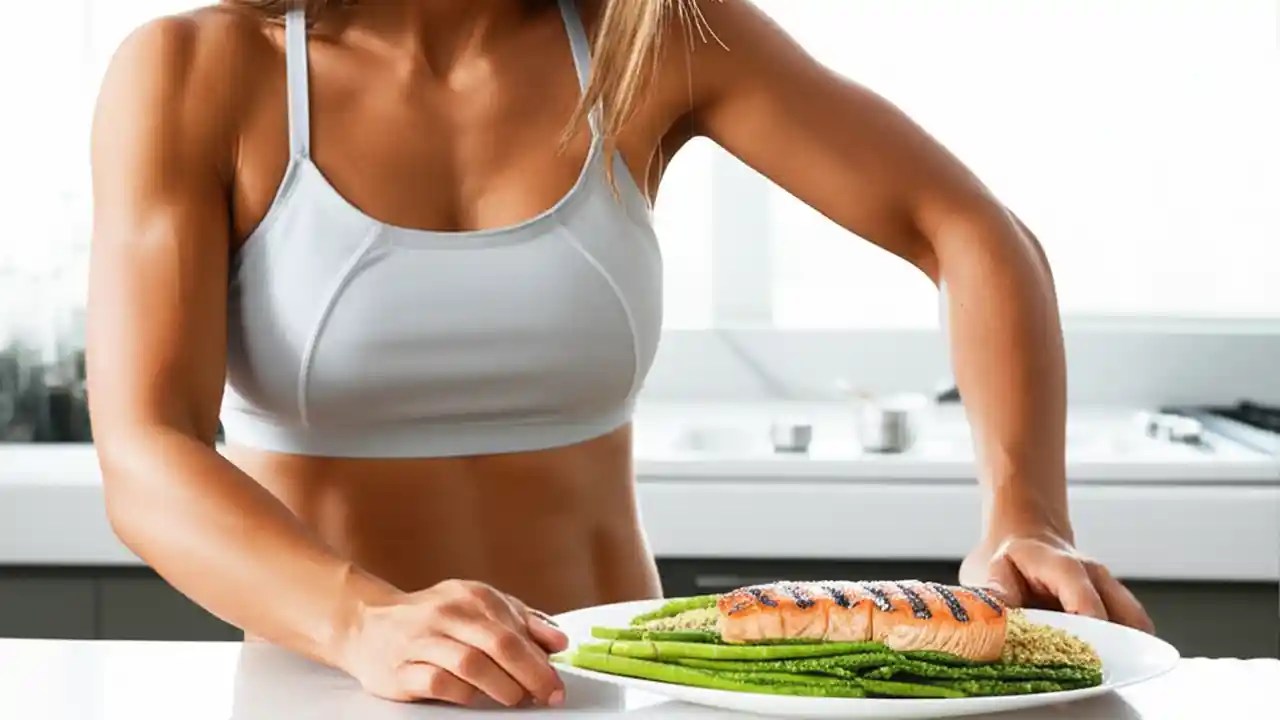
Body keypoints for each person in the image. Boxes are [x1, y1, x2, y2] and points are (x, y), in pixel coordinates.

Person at [86, 0, 1154, 710]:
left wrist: (1026, 514)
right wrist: (358, 620)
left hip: (615, 690)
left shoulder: (651, 33)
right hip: (335, 691)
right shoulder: (197, 68)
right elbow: (144, 447)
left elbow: (970, 231)